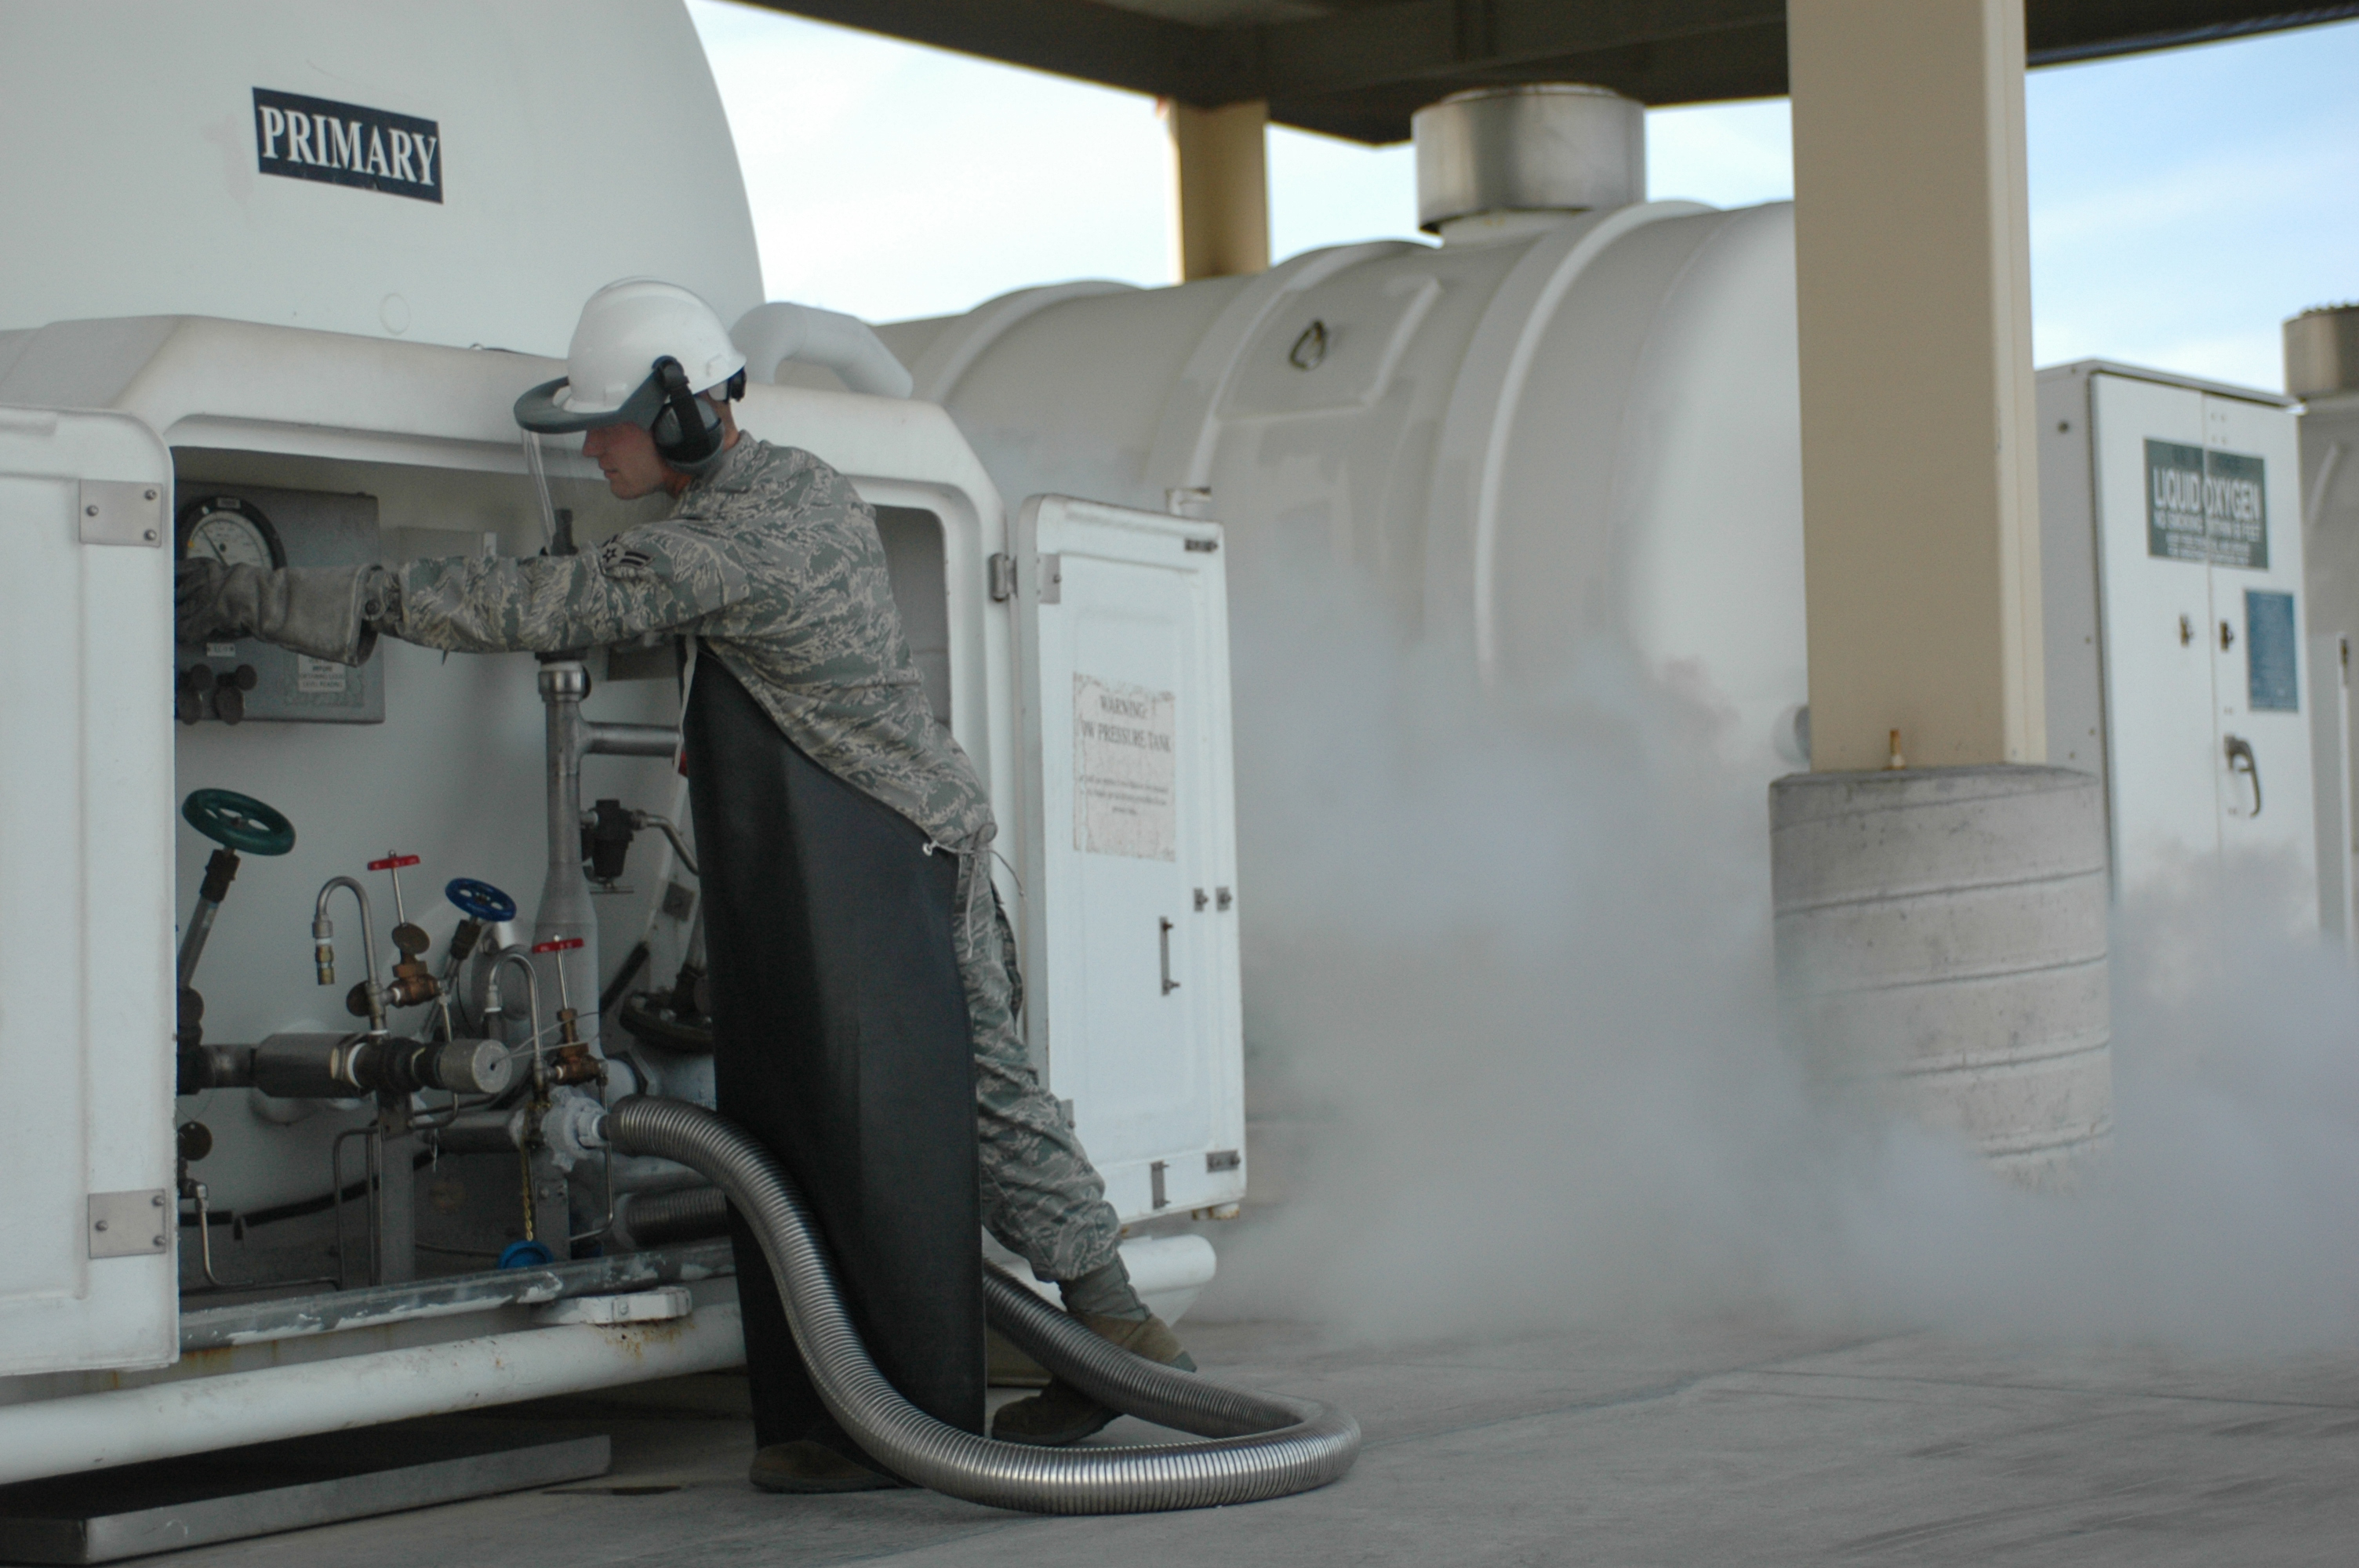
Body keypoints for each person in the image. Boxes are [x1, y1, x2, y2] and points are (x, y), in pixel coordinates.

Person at [176, 278, 1193, 1493]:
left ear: (683, 414)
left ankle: (1081, 1351)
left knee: (960, 1106)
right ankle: (1056, 1349)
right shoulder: (792, 484)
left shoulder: (741, 540)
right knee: (923, 1108)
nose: (593, 449)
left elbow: (546, 603)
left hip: (895, 852)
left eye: (607, 425)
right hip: (874, 848)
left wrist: (278, 598)